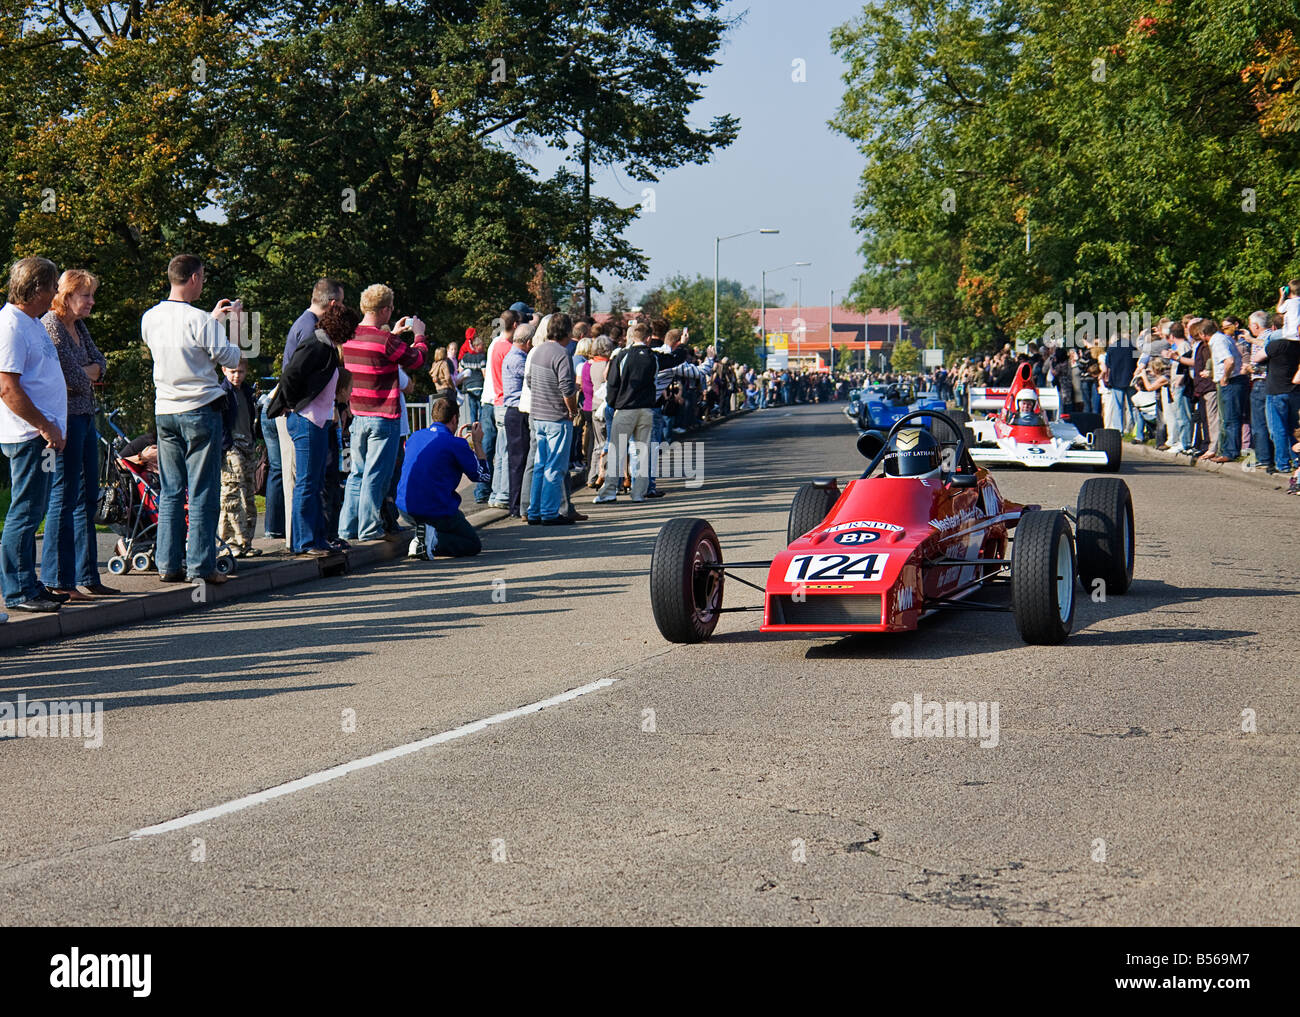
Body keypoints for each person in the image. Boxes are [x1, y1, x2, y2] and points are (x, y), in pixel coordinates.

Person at [141, 254, 242, 584]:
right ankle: (201, 565)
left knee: (170, 490)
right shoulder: (201, 321)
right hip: (199, 409)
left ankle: (168, 564)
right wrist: (231, 325)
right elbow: (230, 356)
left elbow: (176, 342)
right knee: (202, 490)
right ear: (195, 278)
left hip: (165, 410)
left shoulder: (151, 318)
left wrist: (210, 320)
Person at [40, 269, 116, 600]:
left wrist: (86, 373)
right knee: (64, 497)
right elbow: (69, 377)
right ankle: (59, 580)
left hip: (86, 416)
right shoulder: (51, 325)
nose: (91, 301)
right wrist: (88, 374)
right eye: (86, 295)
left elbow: (101, 363)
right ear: (68, 295)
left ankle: (87, 575)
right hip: (64, 420)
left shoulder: (79, 327)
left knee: (87, 497)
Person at [0, 257, 67, 615]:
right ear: (37, 288)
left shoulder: (33, 323)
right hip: (29, 435)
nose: (57, 291)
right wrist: (45, 425)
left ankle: (29, 584)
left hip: (43, 435)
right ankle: (17, 590)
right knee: (25, 512)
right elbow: (7, 387)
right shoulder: (10, 325)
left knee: (35, 509)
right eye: (53, 284)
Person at [339, 284, 426, 541]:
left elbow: (376, 350)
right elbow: (417, 360)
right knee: (376, 475)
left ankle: (347, 528)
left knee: (357, 474)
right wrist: (419, 335)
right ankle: (368, 529)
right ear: (386, 310)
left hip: (358, 415)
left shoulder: (350, 336)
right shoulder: (386, 341)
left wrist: (395, 334)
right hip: (383, 416)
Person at [270, 303, 356, 555]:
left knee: (315, 482)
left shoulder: (326, 346)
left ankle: (316, 540)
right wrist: (291, 404)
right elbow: (291, 375)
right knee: (307, 483)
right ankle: (304, 542)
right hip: (306, 420)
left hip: (317, 421)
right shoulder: (316, 345)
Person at [396, 398, 488, 559]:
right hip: (435, 509)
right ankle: (431, 540)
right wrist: (477, 443)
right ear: (454, 418)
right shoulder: (456, 444)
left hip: (405, 508)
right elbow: (482, 475)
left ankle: (424, 535)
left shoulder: (415, 436)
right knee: (471, 543)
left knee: (449, 520)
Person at [525, 312, 580, 525]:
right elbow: (567, 389)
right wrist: (572, 410)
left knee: (540, 465)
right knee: (555, 467)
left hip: (538, 415)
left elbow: (530, 380)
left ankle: (534, 511)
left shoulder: (537, 351)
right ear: (567, 331)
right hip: (557, 416)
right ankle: (549, 512)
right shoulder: (562, 354)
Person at [594, 322, 658, 504]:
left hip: (625, 407)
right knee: (642, 451)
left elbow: (613, 382)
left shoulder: (622, 355)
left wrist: (613, 404)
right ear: (648, 338)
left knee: (617, 451)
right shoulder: (653, 357)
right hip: (645, 408)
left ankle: (609, 491)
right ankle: (638, 492)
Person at [217, 359, 260, 556]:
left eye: (241, 372)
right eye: (233, 372)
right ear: (224, 370)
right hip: (232, 447)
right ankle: (229, 542)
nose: (237, 376)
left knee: (248, 495)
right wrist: (227, 446)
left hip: (247, 445)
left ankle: (245, 541)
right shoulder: (223, 393)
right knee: (231, 494)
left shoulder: (247, 392)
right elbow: (220, 422)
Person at [501, 319, 531, 517]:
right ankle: (516, 505)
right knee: (519, 460)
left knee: (518, 459)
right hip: (516, 411)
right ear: (528, 342)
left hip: (515, 411)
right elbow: (531, 379)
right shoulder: (518, 359)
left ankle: (518, 503)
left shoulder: (513, 356)